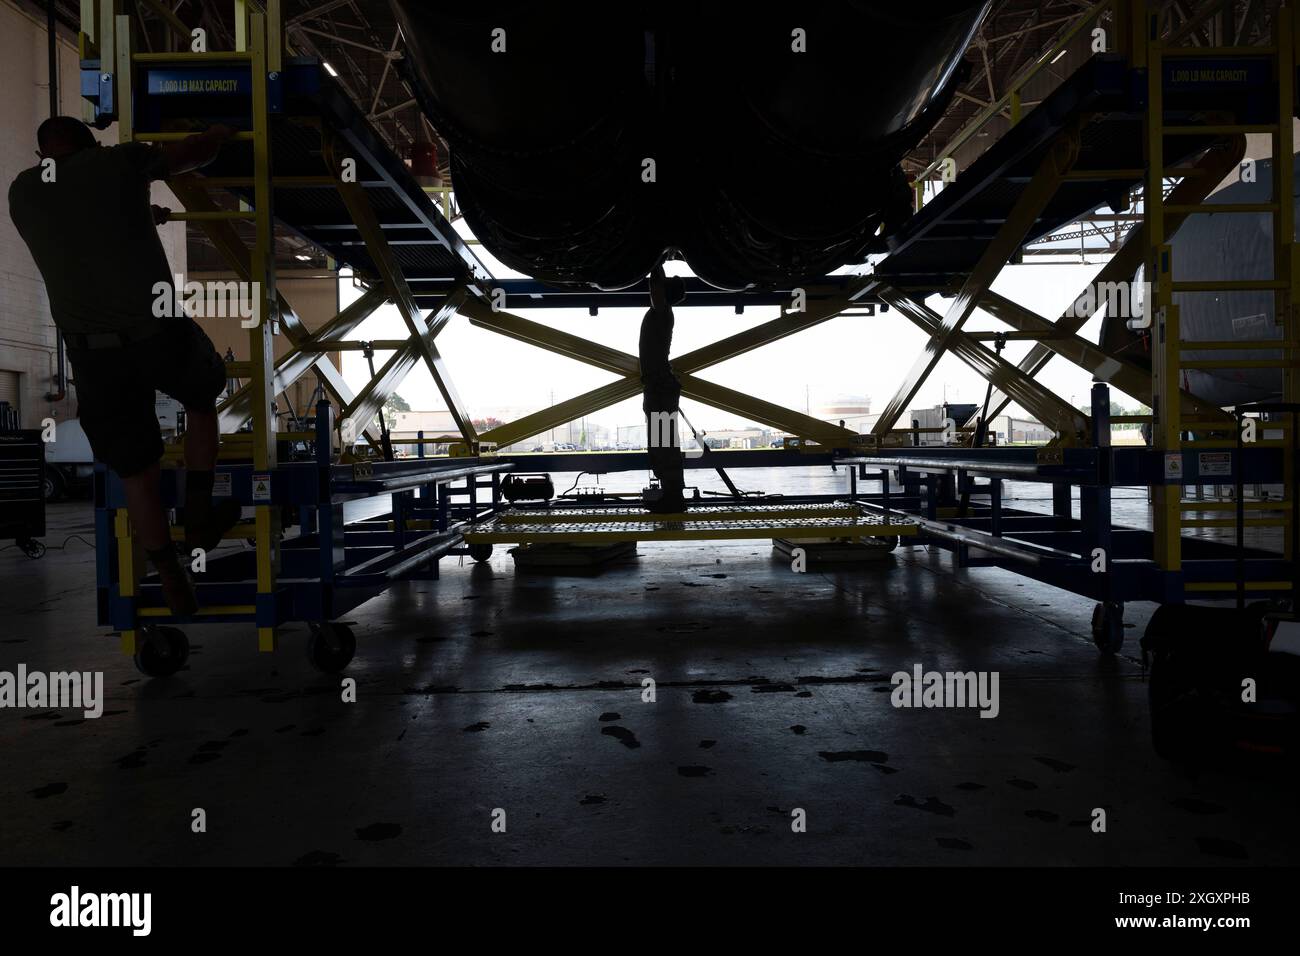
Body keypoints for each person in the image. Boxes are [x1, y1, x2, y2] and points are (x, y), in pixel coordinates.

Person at [9, 116, 242, 615]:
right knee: (204, 397)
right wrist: (219, 134)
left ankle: (171, 575)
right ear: (91, 144)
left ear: (42, 154)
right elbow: (190, 154)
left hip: (93, 355)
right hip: (155, 332)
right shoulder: (116, 162)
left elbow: (83, 226)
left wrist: (142, 213)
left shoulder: (23, 192)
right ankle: (200, 513)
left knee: (137, 471)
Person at [640, 264, 688, 513]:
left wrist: (655, 259)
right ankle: (671, 495)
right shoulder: (663, 312)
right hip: (659, 385)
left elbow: (655, 285)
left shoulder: (662, 311)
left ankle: (673, 497)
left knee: (663, 443)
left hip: (659, 386)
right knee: (662, 442)